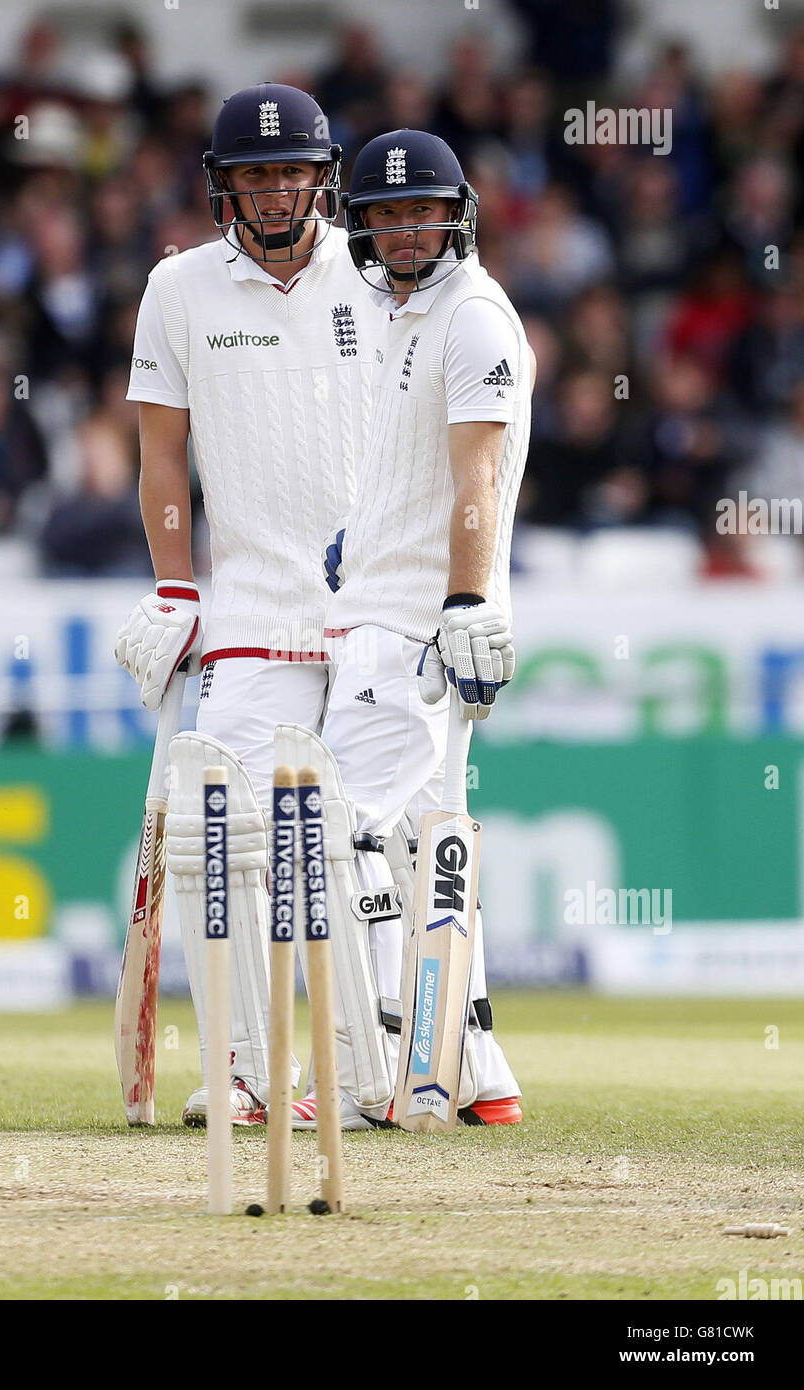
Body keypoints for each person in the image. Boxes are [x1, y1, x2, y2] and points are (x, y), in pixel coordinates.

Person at [115, 84, 382, 1127]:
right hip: (250, 610)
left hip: (373, 608)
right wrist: (178, 583)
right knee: (216, 833)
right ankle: (240, 1066)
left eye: (292, 171)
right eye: (255, 173)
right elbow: (159, 456)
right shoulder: (176, 288)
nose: (276, 191)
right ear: (225, 185)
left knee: (363, 846)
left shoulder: (380, 278)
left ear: (323, 176)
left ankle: (378, 1073)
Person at [312, 128, 537, 1126]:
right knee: (424, 844)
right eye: (387, 214)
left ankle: (376, 1071)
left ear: (458, 214)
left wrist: (460, 603)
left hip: (414, 630)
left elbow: (476, 478)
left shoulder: (474, 315)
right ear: (361, 224)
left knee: (334, 834)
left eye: (423, 211)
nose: (406, 231)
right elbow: (405, 468)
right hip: (384, 608)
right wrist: (355, 538)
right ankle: (475, 1069)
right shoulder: (396, 311)